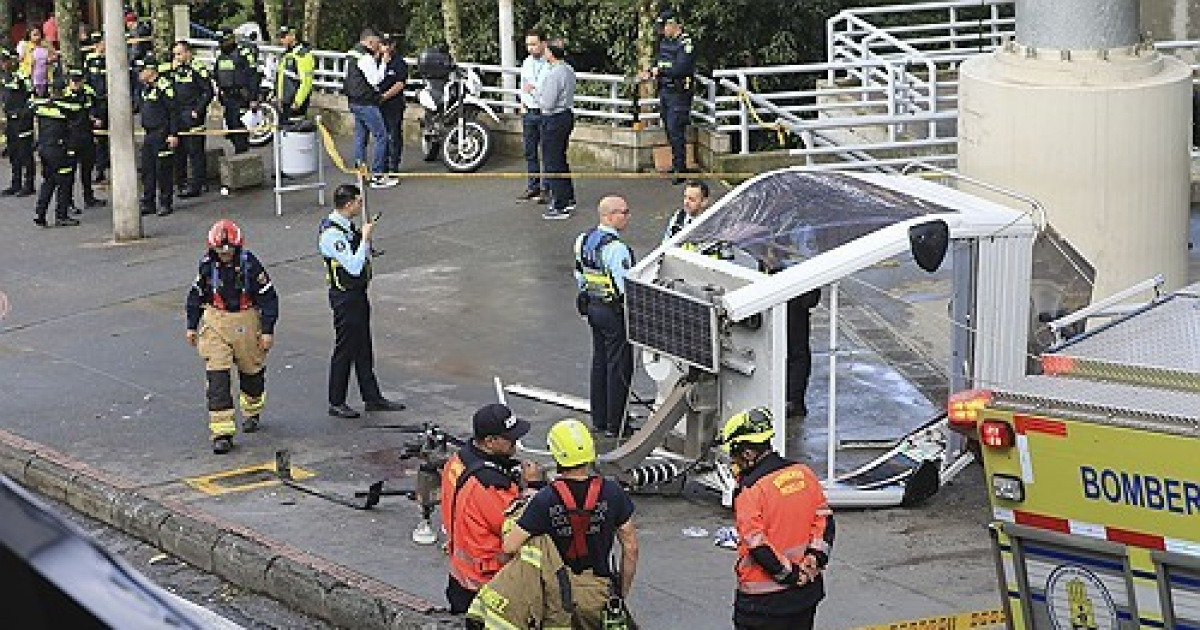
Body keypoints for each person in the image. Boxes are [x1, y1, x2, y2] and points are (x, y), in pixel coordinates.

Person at [502, 419, 639, 630]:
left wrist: (530, 491)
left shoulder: (545, 499)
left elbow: (510, 546)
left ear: (556, 455)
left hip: (556, 596)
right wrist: (620, 593)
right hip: (598, 591)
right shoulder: (613, 492)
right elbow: (631, 548)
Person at [721, 408, 834, 630]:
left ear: (747, 453)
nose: (732, 462)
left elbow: (757, 545)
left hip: (763, 604)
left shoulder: (750, 490)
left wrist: (790, 575)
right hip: (804, 596)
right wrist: (812, 562)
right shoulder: (803, 473)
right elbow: (825, 522)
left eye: (733, 455)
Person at [185, 220, 278, 454]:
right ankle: (222, 432)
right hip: (216, 320)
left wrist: (267, 330)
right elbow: (196, 295)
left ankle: (252, 409)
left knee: (252, 373)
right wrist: (191, 326)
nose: (225, 253)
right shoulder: (207, 266)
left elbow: (269, 298)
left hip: (246, 321)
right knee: (217, 377)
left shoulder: (251, 265)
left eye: (229, 248)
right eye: (220, 249)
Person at [440, 403, 539, 621]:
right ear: (490, 441)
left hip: (460, 574)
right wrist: (533, 487)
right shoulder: (490, 484)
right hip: (486, 581)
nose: (515, 442)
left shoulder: (458, 461)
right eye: (509, 438)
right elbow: (518, 526)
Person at [318, 183, 406, 418]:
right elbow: (354, 266)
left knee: (363, 346)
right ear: (348, 204)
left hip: (357, 294)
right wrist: (365, 239)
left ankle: (372, 396)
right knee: (345, 348)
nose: (361, 205)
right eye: (358, 201)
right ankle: (336, 400)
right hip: (344, 298)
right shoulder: (332, 234)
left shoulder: (346, 227)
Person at [574, 196, 635, 437]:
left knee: (599, 362)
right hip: (613, 311)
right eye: (624, 212)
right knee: (618, 367)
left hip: (592, 307)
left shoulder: (584, 240)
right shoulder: (616, 249)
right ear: (610, 216)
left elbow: (580, 274)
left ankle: (599, 418)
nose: (628, 216)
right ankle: (616, 423)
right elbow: (624, 286)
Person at [641, 9, 696, 185]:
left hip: (679, 93)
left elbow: (682, 68)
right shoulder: (665, 43)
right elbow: (661, 63)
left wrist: (662, 70)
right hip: (665, 90)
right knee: (669, 130)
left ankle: (681, 169)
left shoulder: (685, 43)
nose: (662, 30)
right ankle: (676, 164)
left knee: (676, 129)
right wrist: (651, 72)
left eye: (664, 26)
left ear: (673, 25)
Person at [343, 28, 396, 188]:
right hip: (367, 103)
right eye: (378, 43)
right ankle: (377, 176)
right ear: (370, 41)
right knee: (381, 136)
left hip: (354, 101)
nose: (379, 46)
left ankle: (361, 174)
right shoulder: (365, 58)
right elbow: (376, 80)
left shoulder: (351, 54)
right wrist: (384, 64)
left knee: (360, 138)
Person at [30, 78, 80, 227]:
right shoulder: (66, 107)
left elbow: (30, 106)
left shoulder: (41, 107)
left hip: (44, 148)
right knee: (64, 182)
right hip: (59, 149)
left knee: (49, 181)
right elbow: (76, 111)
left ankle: (40, 213)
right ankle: (61, 215)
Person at [538, 37, 576, 220]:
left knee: (552, 161)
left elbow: (547, 102)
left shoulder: (554, 74)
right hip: (566, 115)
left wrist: (534, 92)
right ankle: (568, 197)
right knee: (560, 158)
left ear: (551, 53)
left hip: (553, 118)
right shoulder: (568, 69)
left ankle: (560, 204)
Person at [136, 57, 179, 217]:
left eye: (142, 70)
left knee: (163, 170)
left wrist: (173, 134)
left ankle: (165, 203)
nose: (140, 73)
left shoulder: (164, 86)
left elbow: (173, 112)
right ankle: (148, 202)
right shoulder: (145, 88)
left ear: (151, 70)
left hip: (162, 133)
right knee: (148, 170)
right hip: (149, 133)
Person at [171, 40, 213, 198]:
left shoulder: (197, 68)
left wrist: (198, 110)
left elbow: (208, 91)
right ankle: (181, 183)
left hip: (192, 114)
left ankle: (198, 184)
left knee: (195, 150)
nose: (177, 57)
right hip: (178, 113)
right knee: (179, 150)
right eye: (175, 54)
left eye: (179, 54)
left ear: (188, 53)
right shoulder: (174, 69)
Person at [63, 68, 104, 210]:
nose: (76, 84)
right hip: (71, 137)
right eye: (73, 81)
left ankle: (89, 198)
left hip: (86, 135)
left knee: (87, 170)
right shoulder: (63, 95)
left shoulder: (88, 93)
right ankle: (68, 202)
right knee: (69, 173)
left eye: (78, 81)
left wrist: (95, 117)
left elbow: (97, 105)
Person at [516, 29, 548, 204]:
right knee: (530, 152)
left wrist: (534, 90)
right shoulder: (527, 62)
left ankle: (547, 188)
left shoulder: (549, 62)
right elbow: (523, 84)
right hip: (529, 111)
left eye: (534, 44)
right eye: (528, 44)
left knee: (547, 152)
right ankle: (533, 186)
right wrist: (522, 103)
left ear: (543, 43)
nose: (530, 48)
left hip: (544, 112)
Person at [213, 31, 257, 155]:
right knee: (230, 128)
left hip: (241, 97)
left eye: (223, 41)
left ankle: (242, 155)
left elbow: (253, 76)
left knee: (240, 127)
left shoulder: (243, 54)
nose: (221, 44)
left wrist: (253, 98)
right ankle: (239, 152)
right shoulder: (221, 57)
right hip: (227, 98)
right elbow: (217, 75)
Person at [2, 51, 37, 198]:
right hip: (10, 120)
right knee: (13, 152)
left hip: (22, 121)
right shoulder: (4, 78)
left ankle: (29, 184)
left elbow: (32, 97)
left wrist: (25, 115)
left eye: (5, 61)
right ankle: (15, 183)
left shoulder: (23, 77)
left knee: (25, 153)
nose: (3, 64)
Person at [377, 34, 408, 176]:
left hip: (394, 104)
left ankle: (393, 165)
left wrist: (385, 96)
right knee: (381, 135)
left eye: (389, 44)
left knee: (394, 134)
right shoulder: (375, 61)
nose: (386, 47)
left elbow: (400, 83)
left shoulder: (399, 62)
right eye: (383, 44)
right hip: (377, 104)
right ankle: (381, 164)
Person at [787, 289, 821, 419]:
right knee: (798, 353)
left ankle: (791, 399)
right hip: (796, 295)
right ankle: (793, 401)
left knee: (792, 351)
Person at [276, 26, 315, 128]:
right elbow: (281, 78)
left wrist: (297, 102)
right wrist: (279, 97)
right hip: (285, 101)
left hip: (295, 103)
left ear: (293, 36)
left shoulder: (303, 54)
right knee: (283, 132)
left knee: (295, 135)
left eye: (284, 37)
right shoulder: (286, 54)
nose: (281, 40)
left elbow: (306, 82)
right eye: (280, 37)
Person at [83, 32, 110, 183]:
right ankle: (100, 170)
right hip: (98, 103)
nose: (100, 45)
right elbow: (88, 83)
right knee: (99, 137)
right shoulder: (89, 60)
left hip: (111, 101)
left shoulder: (111, 58)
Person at [662, 178, 710, 242]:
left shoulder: (711, 223)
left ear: (704, 202)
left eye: (691, 199)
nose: (686, 202)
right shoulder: (678, 217)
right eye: (685, 197)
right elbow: (666, 243)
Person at [18, 27, 56, 97]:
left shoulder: (46, 44)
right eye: (34, 35)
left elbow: (55, 55)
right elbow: (20, 60)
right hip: (31, 78)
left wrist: (51, 59)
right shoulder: (26, 46)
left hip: (45, 78)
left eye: (38, 34)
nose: (37, 37)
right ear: (29, 36)